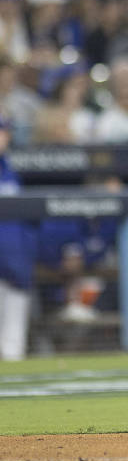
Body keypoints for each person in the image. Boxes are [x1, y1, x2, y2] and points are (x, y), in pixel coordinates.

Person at [0, 114, 36, 360]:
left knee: (13, 343)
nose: (3, 137)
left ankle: (13, 358)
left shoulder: (9, 170)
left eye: (5, 132)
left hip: (13, 255)